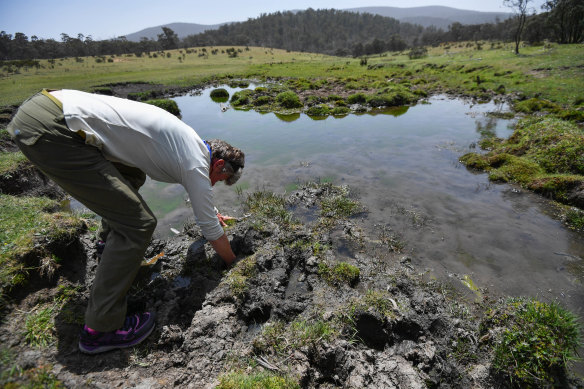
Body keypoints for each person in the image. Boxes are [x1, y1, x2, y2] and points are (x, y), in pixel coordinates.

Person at [6, 89, 245, 354]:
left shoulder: (189, 143)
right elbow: (209, 227)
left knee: (132, 173)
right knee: (138, 224)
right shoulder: (194, 164)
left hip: (47, 109)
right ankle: (100, 330)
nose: (213, 184)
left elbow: (202, 196)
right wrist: (233, 263)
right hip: (54, 129)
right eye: (218, 179)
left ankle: (107, 245)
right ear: (219, 163)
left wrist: (211, 210)